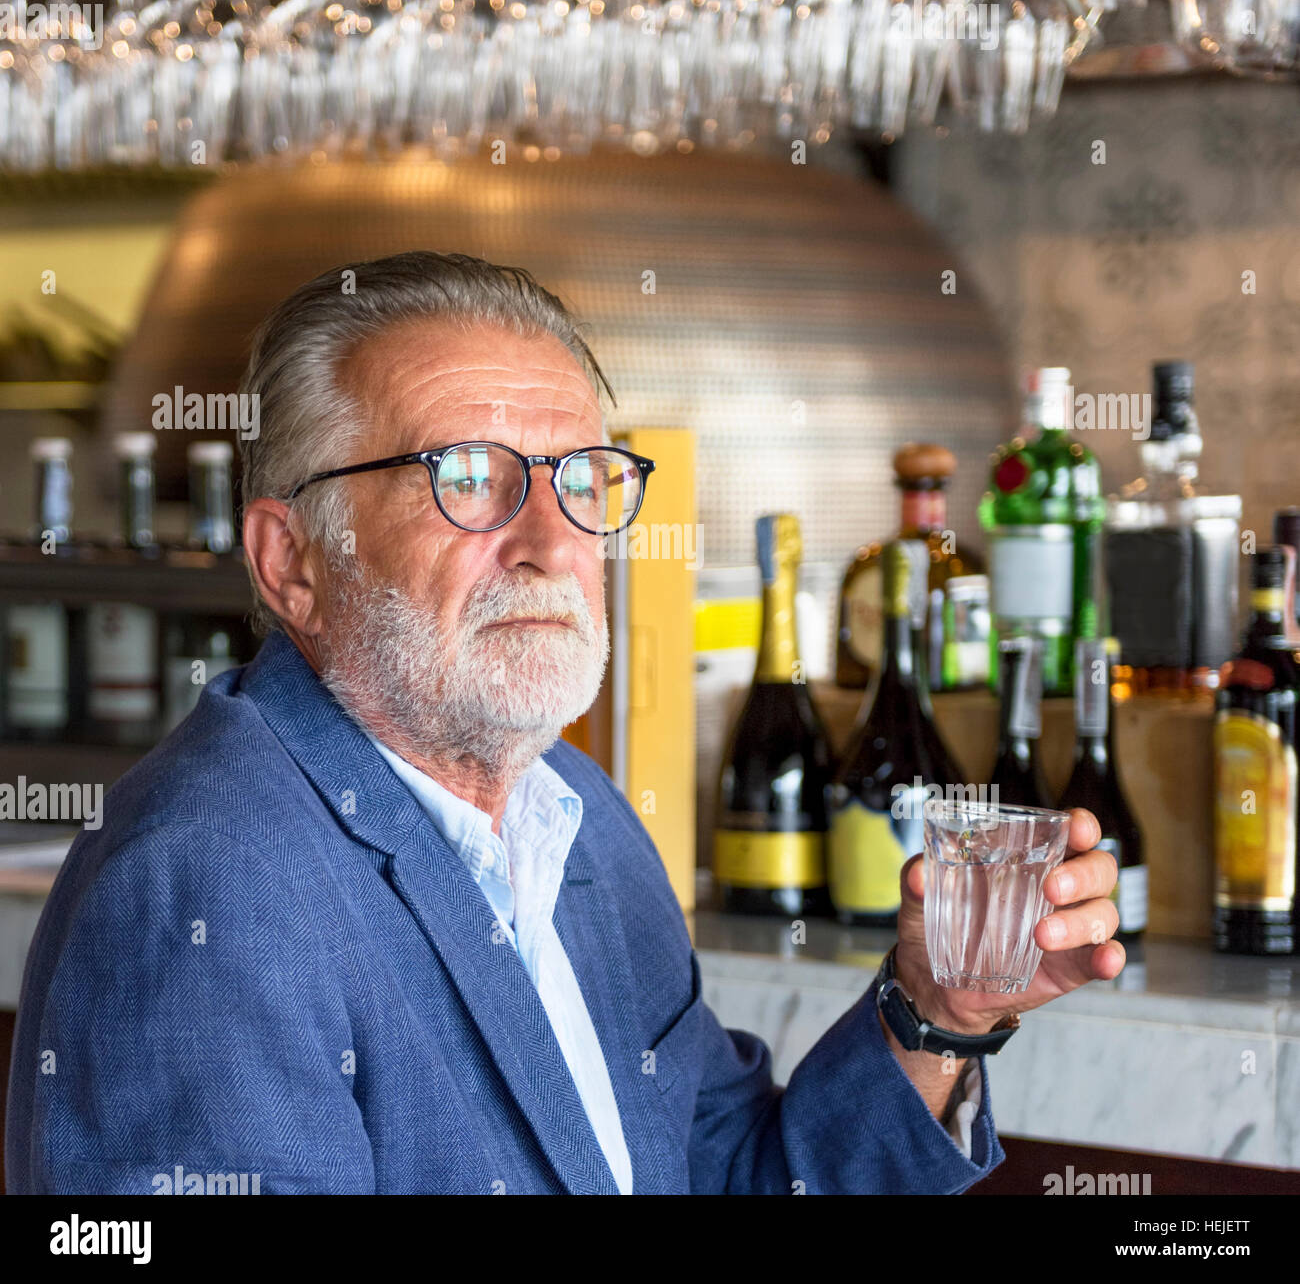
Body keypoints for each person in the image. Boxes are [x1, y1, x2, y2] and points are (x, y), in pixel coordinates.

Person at [6, 252, 1124, 1194]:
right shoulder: (207, 891)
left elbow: (733, 1176)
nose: (548, 537)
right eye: (465, 477)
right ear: (292, 562)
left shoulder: (575, 818)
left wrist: (935, 1012)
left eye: (582, 477)